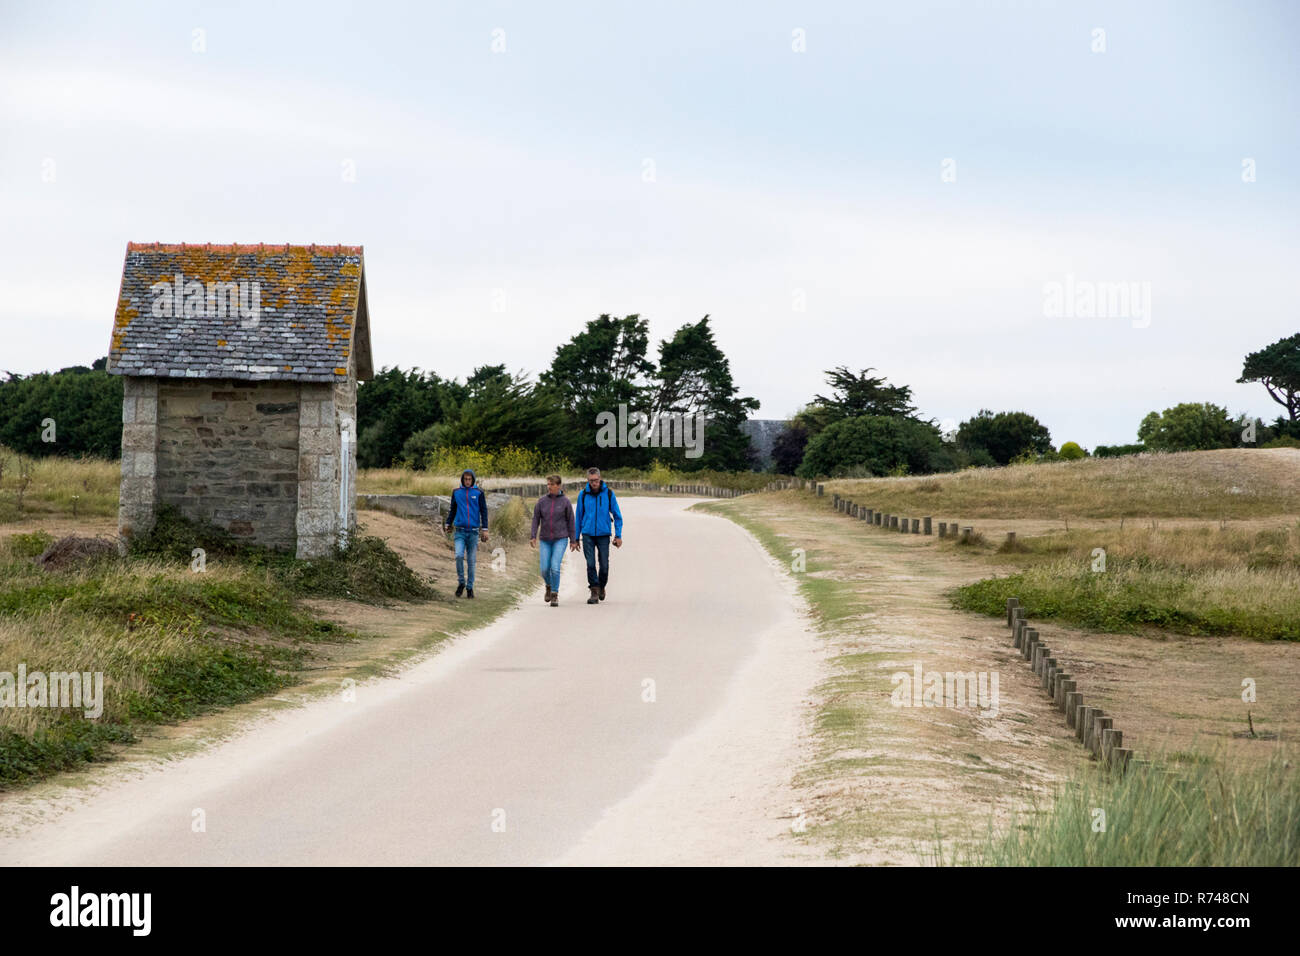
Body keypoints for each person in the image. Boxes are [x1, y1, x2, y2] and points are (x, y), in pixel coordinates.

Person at [573, 467, 623, 605]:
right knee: (590, 563)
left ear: (600, 479)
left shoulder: (608, 494)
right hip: (587, 534)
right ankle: (594, 590)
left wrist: (618, 535)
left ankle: (602, 585)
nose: (594, 483)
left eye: (596, 480)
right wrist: (576, 538)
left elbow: (617, 516)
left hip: (603, 534)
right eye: (591, 481)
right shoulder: (583, 495)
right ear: (587, 480)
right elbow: (578, 517)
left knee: (604, 565)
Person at [529, 475, 580, 607]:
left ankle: (554, 594)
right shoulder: (541, 502)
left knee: (555, 567)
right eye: (548, 484)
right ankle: (549, 585)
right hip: (545, 539)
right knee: (544, 569)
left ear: (558, 486)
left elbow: (571, 522)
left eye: (551, 484)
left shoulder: (565, 502)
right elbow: (536, 520)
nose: (549, 486)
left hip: (560, 539)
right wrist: (533, 536)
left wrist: (573, 540)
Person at [443, 468, 488, 597]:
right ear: (462, 480)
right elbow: (453, 509)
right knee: (458, 555)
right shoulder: (456, 492)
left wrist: (485, 529)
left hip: (473, 533)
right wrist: (448, 523)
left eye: (469, 479)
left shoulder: (479, 493)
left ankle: (469, 587)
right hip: (460, 532)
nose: (467, 481)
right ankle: (461, 582)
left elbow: (484, 511)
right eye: (465, 479)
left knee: (471, 561)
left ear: (473, 480)